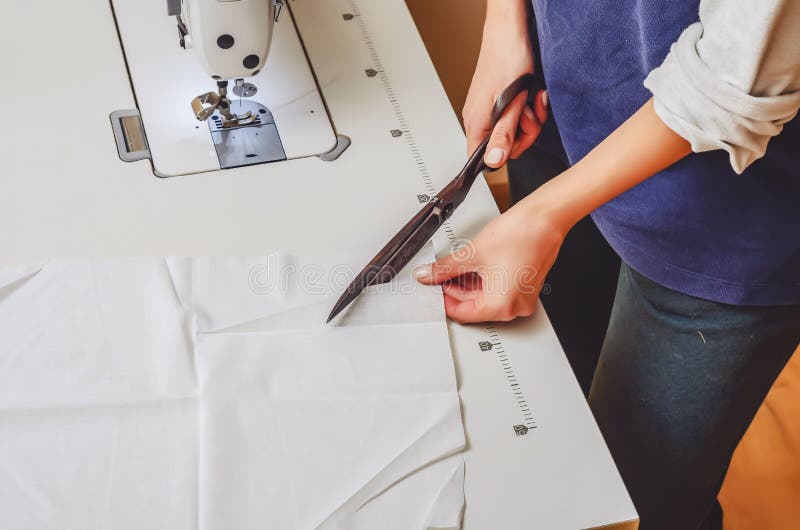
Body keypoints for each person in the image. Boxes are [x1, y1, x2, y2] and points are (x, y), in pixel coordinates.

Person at [414, 1, 800, 529]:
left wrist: (547, 214)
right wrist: (505, 27)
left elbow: (733, 77)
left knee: (647, 494)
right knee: (556, 394)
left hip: (727, 213)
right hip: (562, 112)